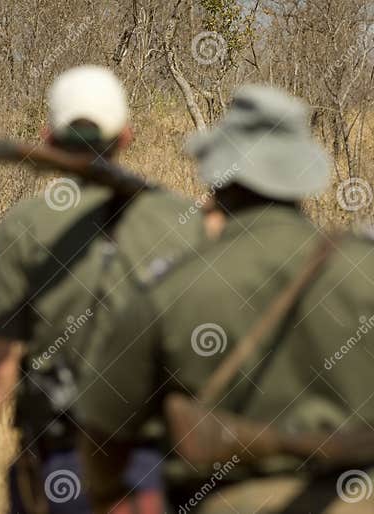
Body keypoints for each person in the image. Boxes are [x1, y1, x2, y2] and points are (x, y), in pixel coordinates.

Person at [74, 84, 374, 513]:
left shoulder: (172, 289)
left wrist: (107, 494)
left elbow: (104, 433)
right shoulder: (364, 269)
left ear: (219, 175)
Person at [0, 65, 208, 514]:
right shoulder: (183, 221)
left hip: (62, 463)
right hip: (159, 466)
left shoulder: (25, 225)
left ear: (48, 137)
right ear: (127, 137)